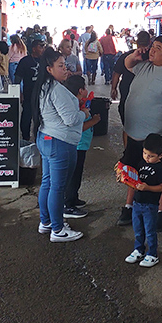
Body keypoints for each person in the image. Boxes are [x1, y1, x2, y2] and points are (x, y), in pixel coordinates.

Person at [117, 36, 162, 228]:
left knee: (159, 174)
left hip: (158, 135)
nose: (152, 51)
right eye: (152, 47)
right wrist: (135, 54)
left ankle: (161, 210)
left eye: (157, 48)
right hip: (133, 132)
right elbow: (127, 64)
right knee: (133, 169)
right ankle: (129, 205)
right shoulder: (145, 66)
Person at [33, 47, 86, 243]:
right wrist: (85, 114)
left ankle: (46, 222)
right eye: (61, 66)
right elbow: (71, 119)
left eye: (65, 65)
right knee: (58, 187)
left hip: (46, 138)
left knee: (47, 183)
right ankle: (58, 229)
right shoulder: (57, 90)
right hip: (60, 143)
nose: (66, 69)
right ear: (49, 69)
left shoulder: (43, 86)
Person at [124, 133, 162, 268]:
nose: (147, 158)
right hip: (137, 202)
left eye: (151, 156)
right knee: (137, 229)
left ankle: (153, 254)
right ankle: (138, 250)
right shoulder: (141, 163)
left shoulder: (160, 169)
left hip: (150, 205)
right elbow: (135, 178)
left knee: (150, 231)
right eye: (145, 153)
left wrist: (147, 187)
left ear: (160, 156)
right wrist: (126, 179)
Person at [62, 75, 100, 219]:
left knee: (77, 174)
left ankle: (74, 198)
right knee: (74, 176)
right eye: (84, 88)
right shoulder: (75, 107)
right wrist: (94, 121)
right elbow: (80, 127)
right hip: (76, 145)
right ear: (80, 90)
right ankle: (68, 205)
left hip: (81, 145)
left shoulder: (79, 102)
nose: (86, 90)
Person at [111, 30, 151, 135]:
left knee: (125, 112)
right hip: (145, 90)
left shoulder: (127, 56)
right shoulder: (152, 57)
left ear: (136, 42)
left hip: (127, 88)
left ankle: (128, 133)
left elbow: (116, 73)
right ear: (149, 42)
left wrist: (113, 88)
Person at [15, 36, 45, 141]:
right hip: (28, 94)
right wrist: (19, 92)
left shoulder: (45, 61)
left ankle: (39, 137)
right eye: (40, 46)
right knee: (26, 116)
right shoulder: (25, 61)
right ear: (34, 48)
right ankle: (25, 137)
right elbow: (18, 78)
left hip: (43, 95)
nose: (43, 48)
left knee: (42, 117)